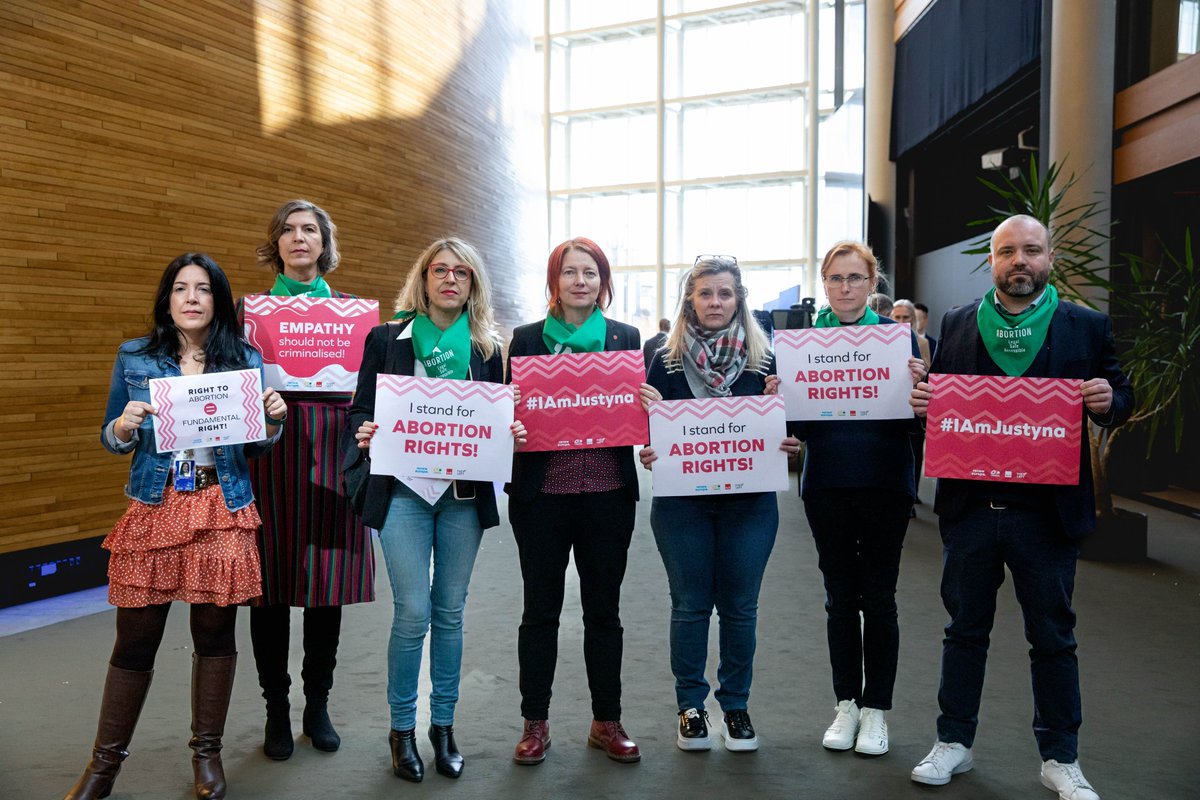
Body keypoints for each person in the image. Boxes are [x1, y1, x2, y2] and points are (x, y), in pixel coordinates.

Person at [908, 215, 1132, 800]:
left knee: (1053, 639)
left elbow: (1120, 393)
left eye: (1031, 250)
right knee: (964, 632)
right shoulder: (958, 323)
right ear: (992, 260)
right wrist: (924, 399)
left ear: (1049, 257)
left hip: (1047, 517)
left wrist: (1109, 401)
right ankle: (953, 742)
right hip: (972, 510)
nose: (1019, 262)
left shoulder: (1086, 326)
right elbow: (940, 403)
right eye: (1007, 252)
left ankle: (1060, 756)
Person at [66, 253, 286, 800]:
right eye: (181, 288)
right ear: (167, 299)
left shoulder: (245, 359)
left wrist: (275, 420)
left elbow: (256, 445)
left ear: (219, 300)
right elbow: (111, 437)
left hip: (222, 505)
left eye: (204, 288)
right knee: (135, 640)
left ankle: (206, 756)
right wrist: (122, 425)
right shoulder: (136, 357)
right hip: (157, 503)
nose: (192, 297)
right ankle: (103, 765)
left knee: (214, 633)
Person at [344, 237, 521, 783]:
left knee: (450, 613)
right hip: (403, 495)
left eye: (461, 273)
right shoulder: (386, 340)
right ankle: (402, 730)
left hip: (463, 498)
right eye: (439, 271)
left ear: (473, 286)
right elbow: (361, 410)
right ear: (423, 281)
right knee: (413, 613)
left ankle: (442, 727)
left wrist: (508, 431)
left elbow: (500, 418)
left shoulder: (488, 349)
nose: (449, 279)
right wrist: (364, 430)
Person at [639, 255, 800, 753]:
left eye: (725, 294)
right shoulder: (659, 357)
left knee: (740, 608)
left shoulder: (767, 358)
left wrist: (788, 439)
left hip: (748, 504)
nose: (715, 302)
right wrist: (648, 446)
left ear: (739, 300)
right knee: (689, 606)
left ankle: (735, 707)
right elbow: (651, 431)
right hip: (682, 503)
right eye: (706, 293)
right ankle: (690, 706)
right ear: (690, 298)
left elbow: (784, 428)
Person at [507, 237, 652, 766]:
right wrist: (512, 417)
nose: (580, 282)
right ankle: (535, 723)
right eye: (570, 272)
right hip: (541, 497)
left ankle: (606, 721)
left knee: (604, 613)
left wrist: (647, 406)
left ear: (603, 281)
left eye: (590, 273)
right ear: (554, 281)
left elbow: (642, 418)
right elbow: (507, 420)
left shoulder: (625, 338)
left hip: (609, 495)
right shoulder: (524, 341)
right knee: (539, 611)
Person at [244, 199, 375, 760]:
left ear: (325, 243)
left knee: (328, 584)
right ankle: (276, 709)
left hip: (337, 445)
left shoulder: (356, 313)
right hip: (269, 449)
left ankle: (316, 705)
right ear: (275, 243)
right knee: (267, 586)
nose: (300, 239)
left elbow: (374, 387)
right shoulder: (247, 314)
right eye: (289, 231)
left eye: (310, 231)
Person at [791, 243, 923, 758]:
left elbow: (914, 420)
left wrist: (919, 390)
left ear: (873, 284)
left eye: (855, 278)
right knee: (840, 599)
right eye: (835, 279)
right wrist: (784, 399)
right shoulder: (803, 344)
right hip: (827, 485)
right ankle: (846, 703)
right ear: (824, 284)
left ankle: (877, 710)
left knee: (881, 598)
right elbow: (799, 429)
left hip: (886, 483)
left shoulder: (896, 338)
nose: (845, 287)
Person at [892, 298, 933, 507]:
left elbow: (931, 373)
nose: (900, 321)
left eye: (905, 317)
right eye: (896, 317)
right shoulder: (879, 340)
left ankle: (912, 493)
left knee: (914, 451)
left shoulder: (921, 342)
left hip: (914, 406)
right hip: (891, 406)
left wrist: (920, 373)